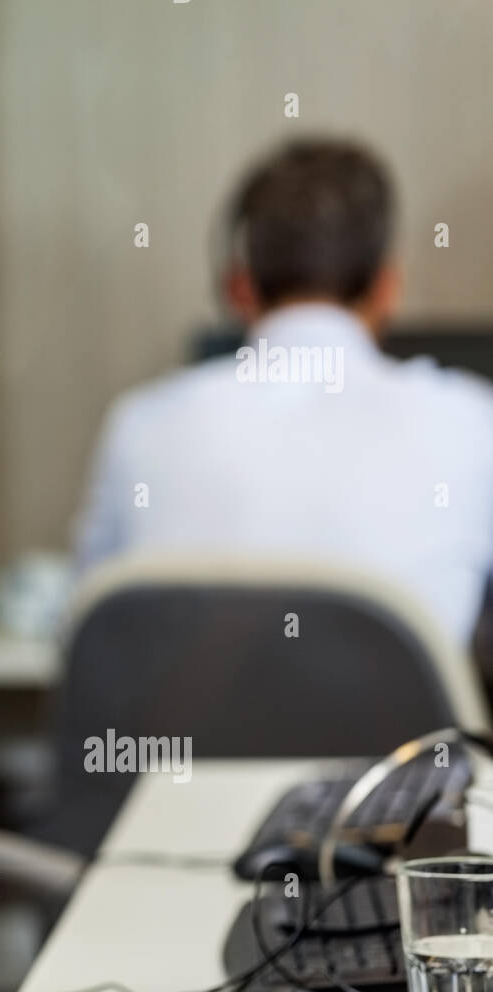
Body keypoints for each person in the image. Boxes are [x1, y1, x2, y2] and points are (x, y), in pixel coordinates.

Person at [73, 137, 493, 649]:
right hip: (404, 733)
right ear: (387, 288)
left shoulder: (139, 425)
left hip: (187, 734)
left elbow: (90, 634)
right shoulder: (472, 423)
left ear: (238, 287)